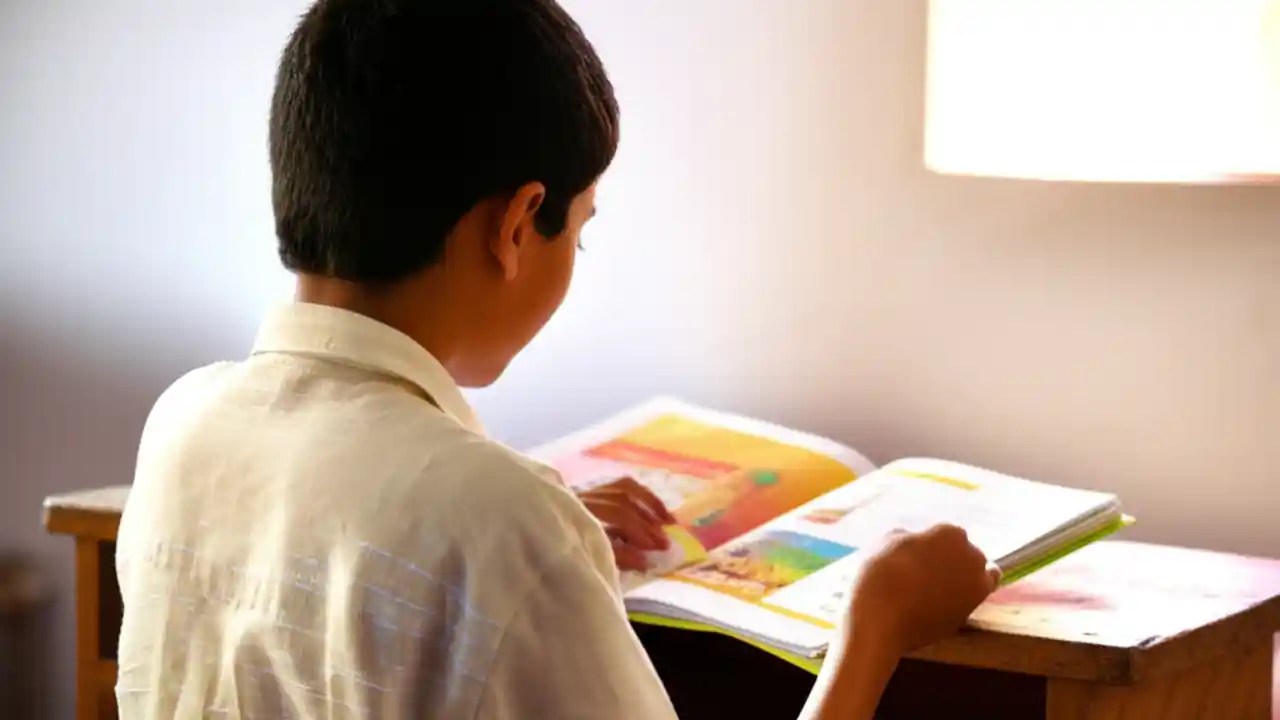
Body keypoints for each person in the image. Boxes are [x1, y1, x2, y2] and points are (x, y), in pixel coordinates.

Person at [113, 0, 999, 718]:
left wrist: (528, 527)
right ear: (514, 225)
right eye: (578, 227)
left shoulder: (183, 423)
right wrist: (876, 627)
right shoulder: (501, 521)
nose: (574, 251)